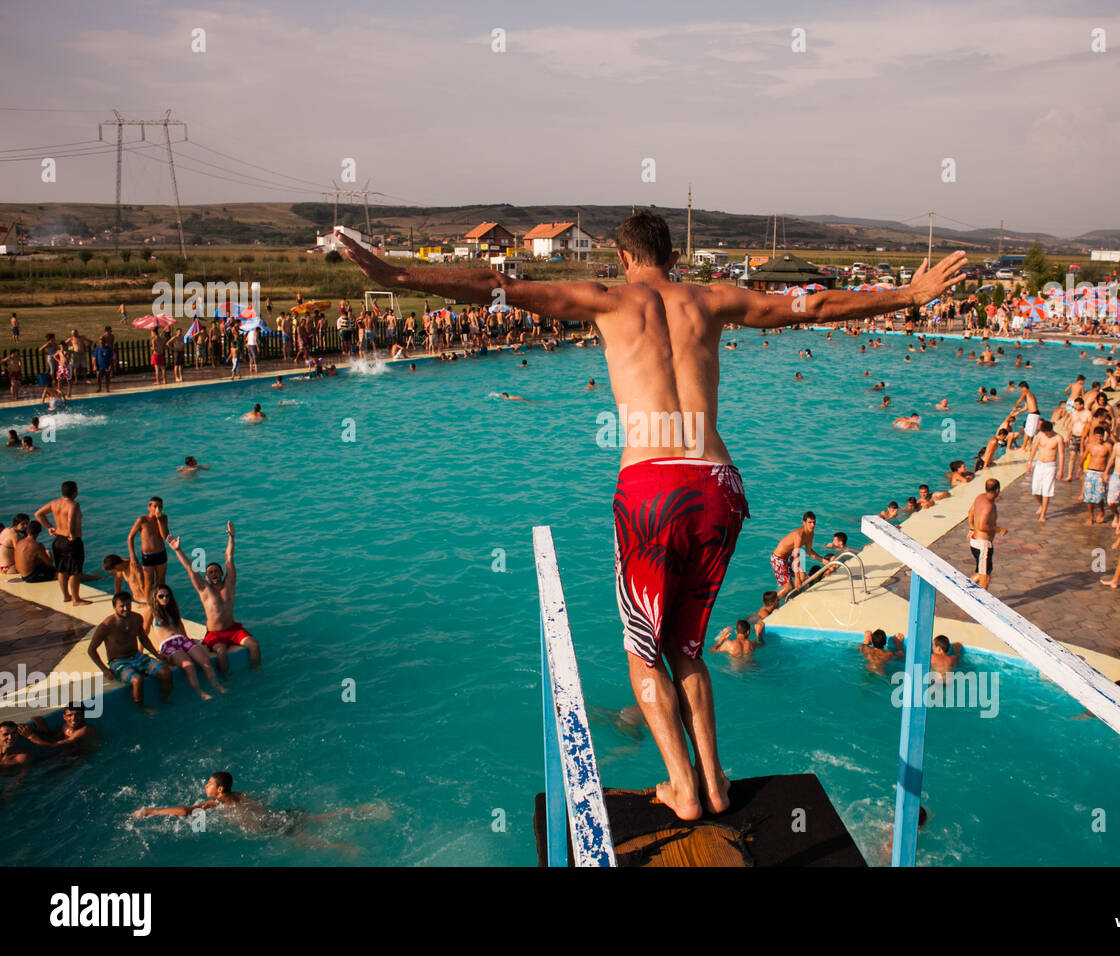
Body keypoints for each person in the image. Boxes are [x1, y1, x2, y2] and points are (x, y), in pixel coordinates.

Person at [336, 212, 967, 821]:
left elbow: (498, 287)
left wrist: (400, 276)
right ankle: (715, 782)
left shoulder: (607, 301)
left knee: (644, 654)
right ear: (674, 257)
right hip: (719, 485)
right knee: (688, 647)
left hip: (652, 490)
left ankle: (684, 790)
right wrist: (910, 293)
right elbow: (816, 307)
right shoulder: (713, 300)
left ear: (621, 257)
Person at [132, 771, 388, 852]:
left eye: (209, 783)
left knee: (311, 842)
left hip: (270, 827)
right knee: (322, 817)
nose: (205, 785)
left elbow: (186, 812)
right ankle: (361, 810)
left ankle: (346, 849)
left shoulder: (216, 804)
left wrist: (152, 811)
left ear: (220, 790)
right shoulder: (241, 794)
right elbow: (261, 801)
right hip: (279, 813)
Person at [166, 523, 261, 671]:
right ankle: (226, 679)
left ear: (222, 573)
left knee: (254, 645)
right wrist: (178, 550)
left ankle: (257, 671)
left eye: (216, 571)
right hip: (215, 634)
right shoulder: (205, 589)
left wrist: (231, 537)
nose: (214, 573)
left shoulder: (229, 585)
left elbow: (229, 557)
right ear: (207, 577)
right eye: (210, 572)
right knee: (221, 652)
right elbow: (190, 570)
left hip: (233, 630)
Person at [87, 590, 173, 708]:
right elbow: (91, 650)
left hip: (137, 656)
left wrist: (157, 655)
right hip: (118, 661)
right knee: (137, 680)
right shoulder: (107, 626)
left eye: (128, 604)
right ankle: (141, 707)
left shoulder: (137, 618)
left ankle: (165, 700)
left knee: (166, 672)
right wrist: (104, 670)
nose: (126, 608)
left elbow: (143, 638)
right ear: (114, 607)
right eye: (121, 606)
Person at [146, 585, 224, 700]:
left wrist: (187, 638)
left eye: (167, 595)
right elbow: (144, 632)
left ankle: (216, 685)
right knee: (189, 666)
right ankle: (200, 692)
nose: (165, 598)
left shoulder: (172, 606)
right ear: (154, 597)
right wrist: (151, 652)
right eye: (161, 596)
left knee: (205, 661)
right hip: (167, 644)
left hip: (181, 639)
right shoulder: (150, 610)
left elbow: (179, 623)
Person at [33, 481, 89, 605]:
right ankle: (76, 599)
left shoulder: (54, 503)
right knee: (75, 570)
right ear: (75, 491)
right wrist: (72, 535)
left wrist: (49, 527)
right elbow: (71, 520)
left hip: (58, 540)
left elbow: (38, 514)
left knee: (61, 569)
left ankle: (66, 596)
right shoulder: (73, 505)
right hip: (71, 541)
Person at [771, 512, 833, 600]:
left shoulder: (811, 534)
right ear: (804, 523)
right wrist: (797, 578)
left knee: (804, 578)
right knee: (789, 587)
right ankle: (771, 603)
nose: (813, 525)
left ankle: (795, 597)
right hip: (778, 558)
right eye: (810, 522)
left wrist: (824, 561)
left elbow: (809, 551)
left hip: (789, 556)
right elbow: (796, 557)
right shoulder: (799, 536)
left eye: (814, 522)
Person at [966, 478, 1005, 588]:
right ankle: (979, 604)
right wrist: (998, 529)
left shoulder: (980, 497)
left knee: (981, 573)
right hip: (983, 545)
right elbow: (982, 526)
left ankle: (964, 590)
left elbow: (970, 512)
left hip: (975, 542)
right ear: (997, 490)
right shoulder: (988, 506)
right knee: (985, 577)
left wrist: (971, 529)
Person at [126, 496, 170, 589]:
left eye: (160, 507)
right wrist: (132, 556)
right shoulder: (142, 520)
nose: (157, 509)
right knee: (149, 583)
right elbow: (130, 538)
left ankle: (160, 602)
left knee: (161, 582)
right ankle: (149, 603)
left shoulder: (164, 518)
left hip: (161, 553)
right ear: (149, 507)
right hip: (148, 555)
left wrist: (159, 519)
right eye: (155, 506)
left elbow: (164, 535)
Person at [1025, 420, 1064, 522]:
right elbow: (1034, 448)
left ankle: (1043, 515)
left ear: (1051, 430)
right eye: (1044, 433)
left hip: (1050, 466)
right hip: (1039, 464)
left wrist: (1060, 470)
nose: (1046, 435)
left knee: (1046, 490)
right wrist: (1029, 462)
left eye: (1047, 433)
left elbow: (1062, 454)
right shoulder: (1040, 435)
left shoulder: (1058, 438)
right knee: (1035, 490)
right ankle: (1042, 505)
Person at [1081, 427, 1114, 525]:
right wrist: (1079, 468)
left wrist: (1107, 472)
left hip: (1101, 472)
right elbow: (1084, 456)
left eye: (1101, 436)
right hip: (1090, 471)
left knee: (1100, 496)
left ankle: (1101, 512)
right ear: (1095, 436)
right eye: (1098, 436)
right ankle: (1091, 517)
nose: (1100, 438)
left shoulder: (1108, 446)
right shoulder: (1090, 445)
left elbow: (1112, 460)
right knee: (1088, 497)